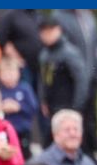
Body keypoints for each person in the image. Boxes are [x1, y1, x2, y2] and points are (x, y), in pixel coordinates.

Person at [52, 9, 97, 156]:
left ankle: (93, 143)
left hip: (91, 72)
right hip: (72, 75)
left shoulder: (87, 16)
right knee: (76, 109)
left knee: (90, 111)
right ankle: (82, 148)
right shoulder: (59, 16)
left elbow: (95, 42)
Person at [37, 17, 89, 149]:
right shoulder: (44, 54)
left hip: (68, 104)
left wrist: (77, 106)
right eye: (44, 32)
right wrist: (43, 99)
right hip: (51, 106)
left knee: (72, 142)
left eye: (50, 31)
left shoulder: (69, 53)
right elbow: (43, 79)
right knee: (50, 143)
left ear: (58, 30)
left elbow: (81, 80)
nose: (47, 35)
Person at [0, 53, 39, 159]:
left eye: (11, 72)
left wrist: (19, 107)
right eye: (5, 73)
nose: (9, 75)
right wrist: (2, 108)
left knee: (24, 156)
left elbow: (33, 107)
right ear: (0, 74)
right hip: (4, 133)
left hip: (23, 131)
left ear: (18, 73)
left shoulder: (25, 89)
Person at [0, 9, 43, 93]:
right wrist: (15, 56)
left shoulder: (38, 15)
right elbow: (1, 38)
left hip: (39, 64)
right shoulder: (10, 15)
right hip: (22, 66)